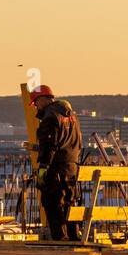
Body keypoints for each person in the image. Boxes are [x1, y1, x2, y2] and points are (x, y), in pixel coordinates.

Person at [31, 86, 82, 241]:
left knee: (53, 205)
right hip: (71, 168)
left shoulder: (50, 117)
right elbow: (75, 143)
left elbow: (49, 146)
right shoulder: (72, 117)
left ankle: (60, 241)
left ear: (43, 99)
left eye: (36, 103)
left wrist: (42, 171)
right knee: (69, 204)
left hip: (55, 170)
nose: (36, 107)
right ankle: (74, 238)